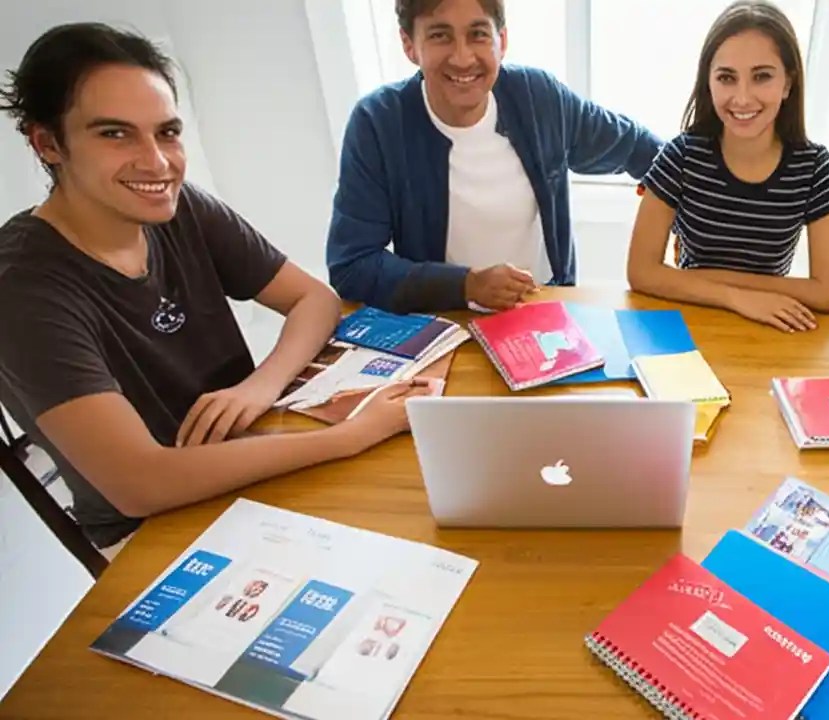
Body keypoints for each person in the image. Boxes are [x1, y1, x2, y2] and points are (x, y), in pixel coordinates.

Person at [0, 23, 416, 550]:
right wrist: (350, 436)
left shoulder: (180, 207)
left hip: (254, 457)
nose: (156, 162)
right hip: (153, 530)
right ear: (47, 143)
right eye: (115, 134)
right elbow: (140, 484)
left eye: (167, 132)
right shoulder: (23, 287)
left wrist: (259, 386)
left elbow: (314, 299)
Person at [327, 0, 663, 314]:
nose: (462, 58)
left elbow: (641, 149)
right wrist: (467, 285)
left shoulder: (539, 97)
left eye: (478, 34)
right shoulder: (378, 123)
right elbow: (352, 266)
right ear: (409, 44)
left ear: (501, 40)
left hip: (546, 313)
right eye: (440, 35)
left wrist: (680, 205)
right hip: (446, 322)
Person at [626, 0, 829, 333]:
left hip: (770, 328)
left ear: (788, 84)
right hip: (687, 323)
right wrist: (737, 297)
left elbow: (828, 293)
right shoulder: (680, 157)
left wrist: (704, 280)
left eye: (762, 77)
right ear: (709, 82)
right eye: (727, 78)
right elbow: (641, 272)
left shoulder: (816, 168)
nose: (742, 98)